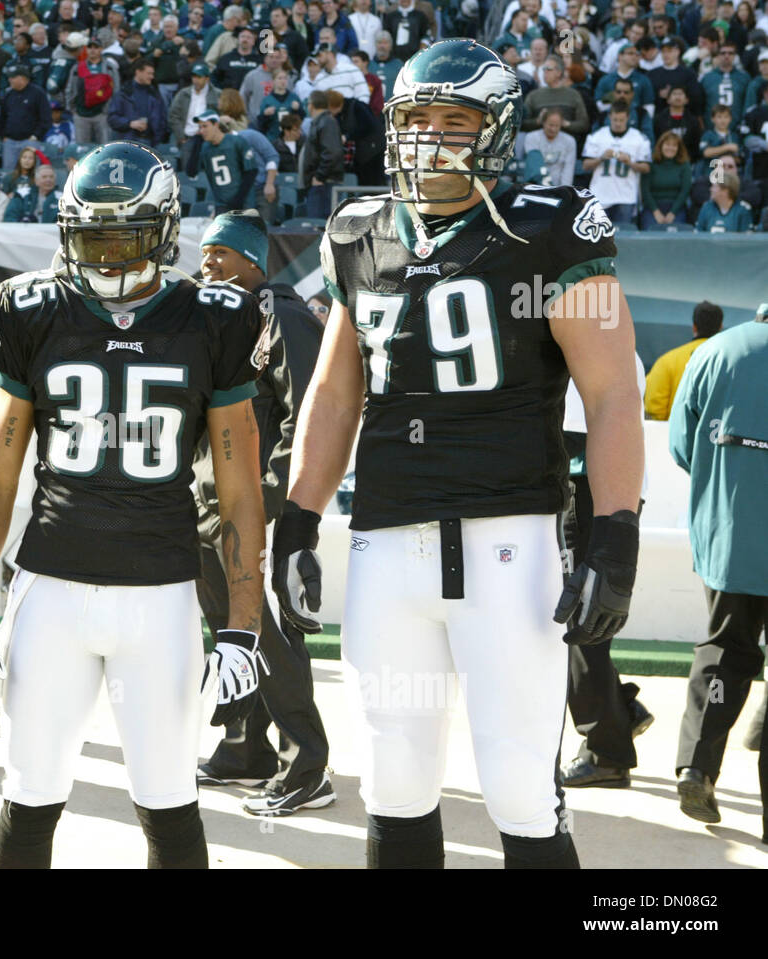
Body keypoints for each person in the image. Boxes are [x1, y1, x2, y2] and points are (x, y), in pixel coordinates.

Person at [275, 40, 643, 870]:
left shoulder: (547, 227)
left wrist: (615, 531)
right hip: (387, 544)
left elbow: (614, 392)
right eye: (413, 120)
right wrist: (296, 518)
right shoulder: (361, 229)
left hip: (508, 541)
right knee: (393, 782)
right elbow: (335, 394)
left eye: (454, 120)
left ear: (498, 130)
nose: (428, 138)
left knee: (518, 786)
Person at [0, 142, 268, 869]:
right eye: (93, 236)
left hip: (159, 596)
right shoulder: (33, 308)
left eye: (125, 236)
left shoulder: (214, 317)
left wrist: (243, 623)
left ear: (162, 231)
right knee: (29, 797)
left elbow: (240, 488)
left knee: (168, 803)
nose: (108, 253)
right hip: (51, 588)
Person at [194, 212, 333, 814]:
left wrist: (274, 501)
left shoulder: (282, 312)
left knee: (270, 637)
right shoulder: (220, 318)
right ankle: (244, 749)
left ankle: (307, 764)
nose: (208, 264)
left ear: (254, 262)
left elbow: (310, 415)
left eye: (221, 254)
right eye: (204, 254)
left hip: (259, 507)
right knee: (229, 634)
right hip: (209, 507)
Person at [668, 304, 768, 831]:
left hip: (731, 535)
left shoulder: (715, 350)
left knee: (726, 649)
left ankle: (696, 765)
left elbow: (683, 447)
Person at [560, 354, 654, 789]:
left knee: (579, 622)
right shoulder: (614, 332)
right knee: (583, 619)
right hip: (604, 487)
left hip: (582, 481)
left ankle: (608, 748)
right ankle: (619, 715)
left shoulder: (584, 323)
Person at [645, 301, 722, 420]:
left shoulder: (667, 361)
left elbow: (655, 409)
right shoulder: (732, 364)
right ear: (720, 327)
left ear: (694, 326)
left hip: (673, 434)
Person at [583, 101, 652, 225]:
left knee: (624, 238)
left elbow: (646, 168)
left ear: (628, 117)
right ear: (609, 117)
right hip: (600, 195)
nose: (618, 123)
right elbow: (585, 165)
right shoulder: (597, 136)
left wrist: (630, 163)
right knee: (599, 240)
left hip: (626, 196)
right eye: (615, 120)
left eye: (621, 120)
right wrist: (601, 158)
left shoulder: (639, 138)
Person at [191, 110, 258, 212]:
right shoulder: (205, 148)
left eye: (205, 126)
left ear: (216, 125)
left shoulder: (236, 141)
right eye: (200, 127)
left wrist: (239, 199)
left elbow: (251, 171)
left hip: (244, 202)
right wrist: (196, 144)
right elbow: (191, 171)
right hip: (222, 204)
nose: (201, 130)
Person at [64, 38, 119, 147]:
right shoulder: (77, 67)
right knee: (82, 149)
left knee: (104, 148)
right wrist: (72, 109)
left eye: (96, 47)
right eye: (90, 47)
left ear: (101, 49)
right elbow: (70, 88)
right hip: (81, 114)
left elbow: (116, 89)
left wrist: (110, 110)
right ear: (86, 49)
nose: (92, 50)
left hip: (102, 114)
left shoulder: (109, 67)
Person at [301, 89, 343, 220]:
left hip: (324, 185)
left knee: (319, 227)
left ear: (311, 105)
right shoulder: (321, 122)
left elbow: (332, 152)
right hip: (320, 185)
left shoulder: (327, 122)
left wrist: (319, 176)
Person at [639, 131, 694, 229]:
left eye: (674, 145)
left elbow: (685, 191)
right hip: (653, 207)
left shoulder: (684, 165)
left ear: (678, 148)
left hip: (677, 207)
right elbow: (645, 190)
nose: (670, 148)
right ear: (661, 146)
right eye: (667, 144)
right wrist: (656, 212)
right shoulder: (651, 164)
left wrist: (673, 213)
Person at [108, 59, 167, 149]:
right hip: (128, 143)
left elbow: (162, 118)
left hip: (151, 144)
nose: (152, 76)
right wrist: (130, 123)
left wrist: (158, 138)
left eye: (152, 74)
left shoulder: (155, 94)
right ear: (138, 72)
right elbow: (112, 118)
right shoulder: (124, 93)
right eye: (149, 73)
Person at [522, 106, 577, 186]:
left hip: (558, 187)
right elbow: (534, 166)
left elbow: (568, 169)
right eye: (550, 125)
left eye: (557, 126)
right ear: (543, 122)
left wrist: (565, 190)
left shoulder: (570, 141)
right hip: (535, 185)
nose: (553, 129)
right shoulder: (531, 137)